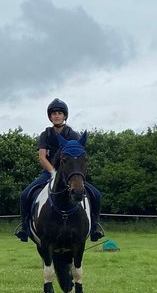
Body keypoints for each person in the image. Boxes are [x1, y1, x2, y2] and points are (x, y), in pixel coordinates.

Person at [15, 97, 104, 243]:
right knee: (25, 195)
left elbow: (77, 157)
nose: (56, 115)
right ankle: (24, 228)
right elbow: (42, 158)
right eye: (54, 113)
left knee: (96, 195)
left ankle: (94, 227)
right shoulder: (45, 135)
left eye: (59, 113)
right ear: (50, 117)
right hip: (49, 174)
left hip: (70, 175)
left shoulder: (72, 135)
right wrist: (53, 172)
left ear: (64, 116)